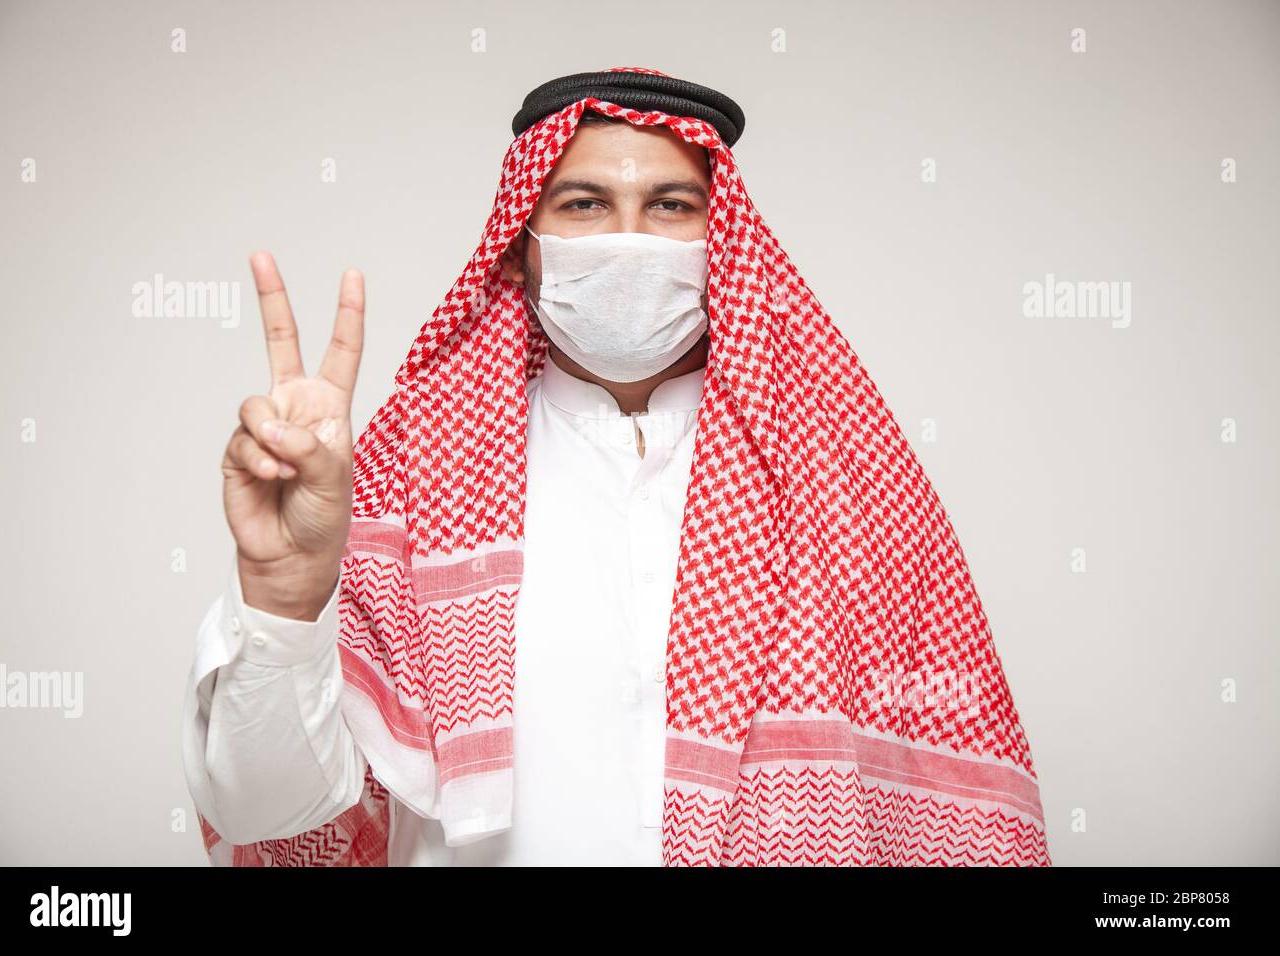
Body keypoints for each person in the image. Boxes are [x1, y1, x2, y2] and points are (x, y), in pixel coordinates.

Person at [180, 67, 1050, 867]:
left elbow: (949, 811)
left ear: (726, 241)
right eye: (586, 204)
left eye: (671, 205)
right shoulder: (408, 482)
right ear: (523, 244)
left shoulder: (849, 486)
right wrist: (285, 599)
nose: (630, 241)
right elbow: (270, 817)